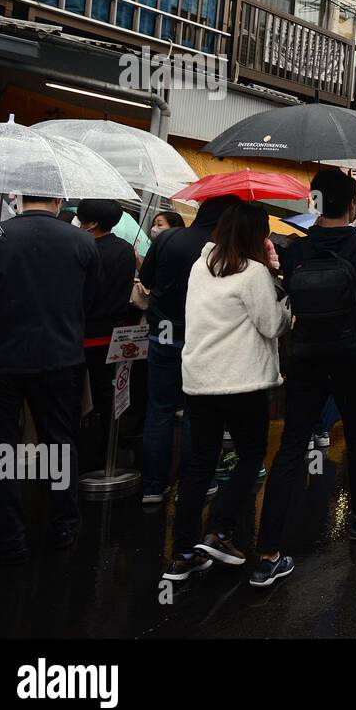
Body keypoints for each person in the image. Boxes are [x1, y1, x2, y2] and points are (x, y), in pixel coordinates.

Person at [253, 170, 356, 587]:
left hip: (304, 357)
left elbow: (286, 299)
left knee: (290, 449)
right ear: (352, 206)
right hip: (351, 357)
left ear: (315, 205)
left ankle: (268, 553)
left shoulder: (295, 251)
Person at [163, 204, 290, 581]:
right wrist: (276, 282)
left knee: (201, 464)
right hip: (242, 381)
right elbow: (272, 325)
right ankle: (218, 531)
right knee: (251, 455)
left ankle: (182, 553)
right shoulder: (253, 273)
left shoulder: (200, 268)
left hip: (200, 380)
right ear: (256, 235)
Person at [0, 195, 98, 561]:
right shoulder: (83, 242)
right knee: (59, 441)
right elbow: (87, 301)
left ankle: (8, 540)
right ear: (58, 199)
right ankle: (64, 525)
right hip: (59, 357)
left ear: (20, 198)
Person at [137, 194, 242, 504]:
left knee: (159, 410)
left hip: (163, 336)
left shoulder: (168, 238)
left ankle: (154, 486)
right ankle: (194, 483)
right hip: (206, 340)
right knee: (199, 413)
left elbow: (147, 280)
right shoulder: (226, 249)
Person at [75, 198, 138, 474]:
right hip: (115, 334)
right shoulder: (126, 250)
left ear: (92, 223)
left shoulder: (82, 246)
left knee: (80, 396)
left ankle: (83, 453)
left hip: (83, 332)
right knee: (107, 395)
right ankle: (105, 450)